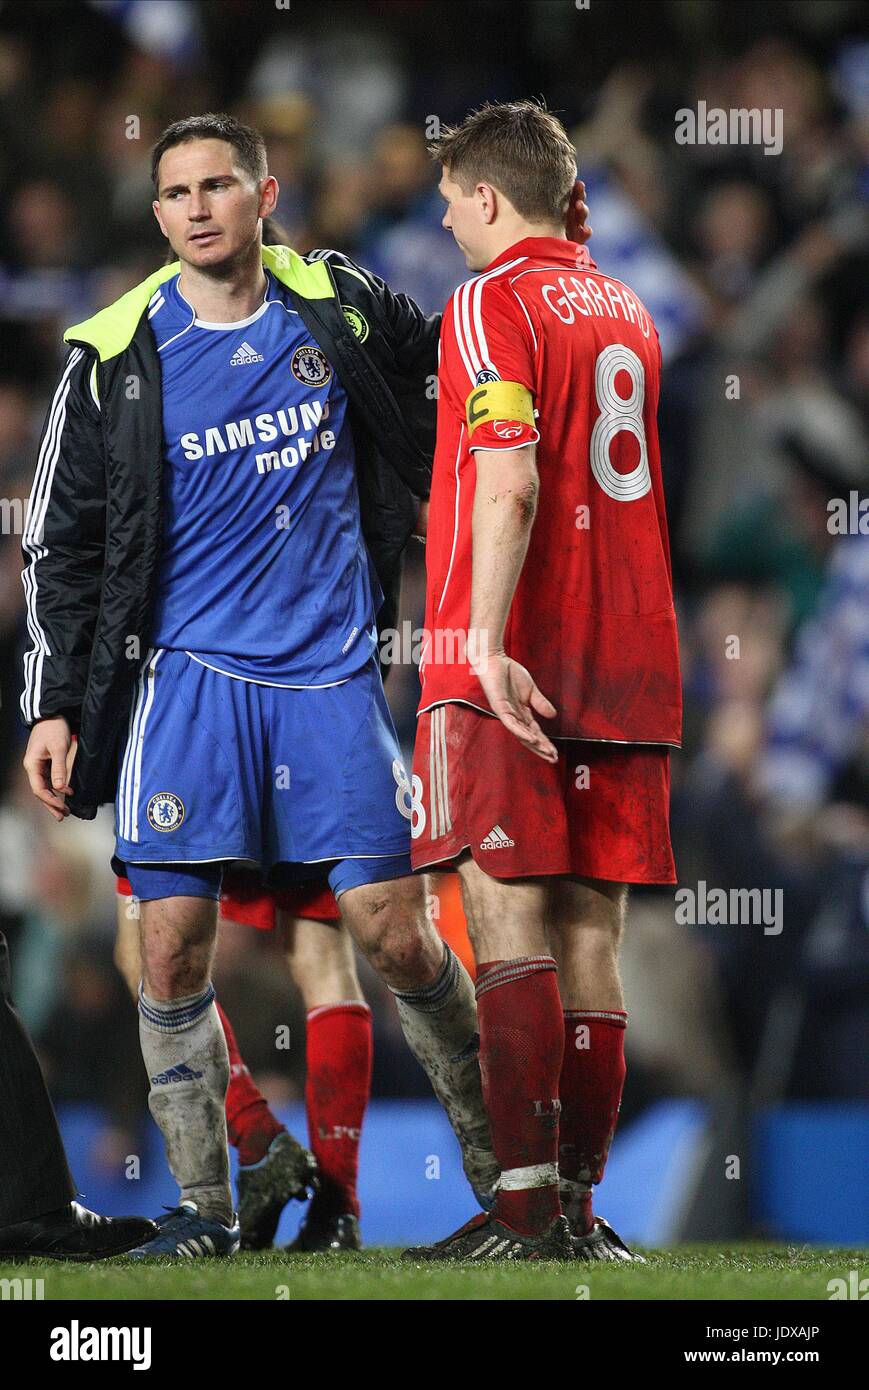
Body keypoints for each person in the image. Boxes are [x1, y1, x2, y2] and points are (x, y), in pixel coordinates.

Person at [20, 112, 499, 1259]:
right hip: (184, 688)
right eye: (175, 191)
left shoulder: (334, 303)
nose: (196, 207)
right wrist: (53, 700)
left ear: (264, 194)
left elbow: (449, 370)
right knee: (171, 947)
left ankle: (510, 1176)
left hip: (330, 681)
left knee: (394, 935)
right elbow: (59, 541)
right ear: (156, 212)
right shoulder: (114, 352)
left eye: (217, 185)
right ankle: (206, 1206)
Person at [406, 101, 682, 1261]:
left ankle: (521, 1209)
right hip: (631, 656)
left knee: (504, 917)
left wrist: (475, 641)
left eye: (447, 202)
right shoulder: (628, 309)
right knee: (591, 938)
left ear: (484, 198)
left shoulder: (488, 302)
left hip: (515, 651)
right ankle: (577, 1208)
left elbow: (508, 480)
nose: (443, 222)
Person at [114, 866, 371, 1252]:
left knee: (147, 953)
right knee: (324, 958)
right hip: (300, 808)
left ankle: (258, 1140)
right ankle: (336, 1212)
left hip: (186, 809)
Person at [0, 929, 157, 1260]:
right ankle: (30, 1215)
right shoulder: (64, 1016)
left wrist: (124, 1128)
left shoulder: (127, 1022)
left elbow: (128, 1081)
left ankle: (27, 1214)